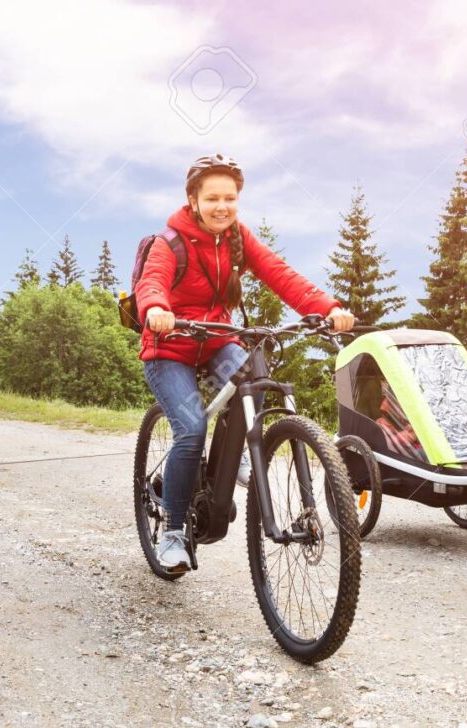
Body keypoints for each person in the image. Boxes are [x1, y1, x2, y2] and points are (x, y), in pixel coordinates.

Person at [136, 154, 354, 572]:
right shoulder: (171, 242)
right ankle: (174, 533)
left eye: (230, 198)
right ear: (193, 200)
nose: (222, 206)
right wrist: (157, 309)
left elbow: (281, 274)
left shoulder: (237, 238)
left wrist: (328, 307)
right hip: (169, 347)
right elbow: (152, 281)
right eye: (213, 198)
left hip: (217, 340)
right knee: (192, 428)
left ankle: (235, 454)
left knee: (256, 373)